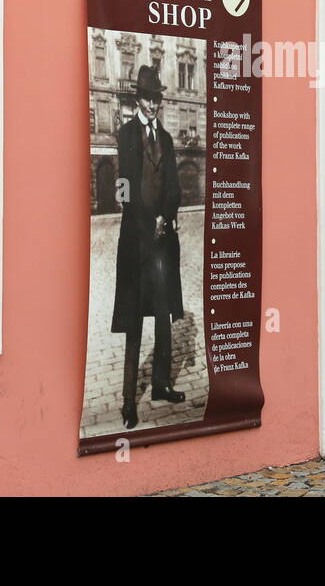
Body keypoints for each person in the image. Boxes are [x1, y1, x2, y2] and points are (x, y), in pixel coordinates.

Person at [113, 65, 186, 429]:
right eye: (147, 98)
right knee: (133, 322)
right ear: (137, 99)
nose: (153, 104)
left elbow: (174, 186)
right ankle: (129, 400)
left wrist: (167, 216)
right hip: (136, 242)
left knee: (163, 315)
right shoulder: (126, 134)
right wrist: (143, 220)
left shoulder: (168, 140)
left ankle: (161, 384)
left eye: (157, 98)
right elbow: (123, 188)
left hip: (162, 242)